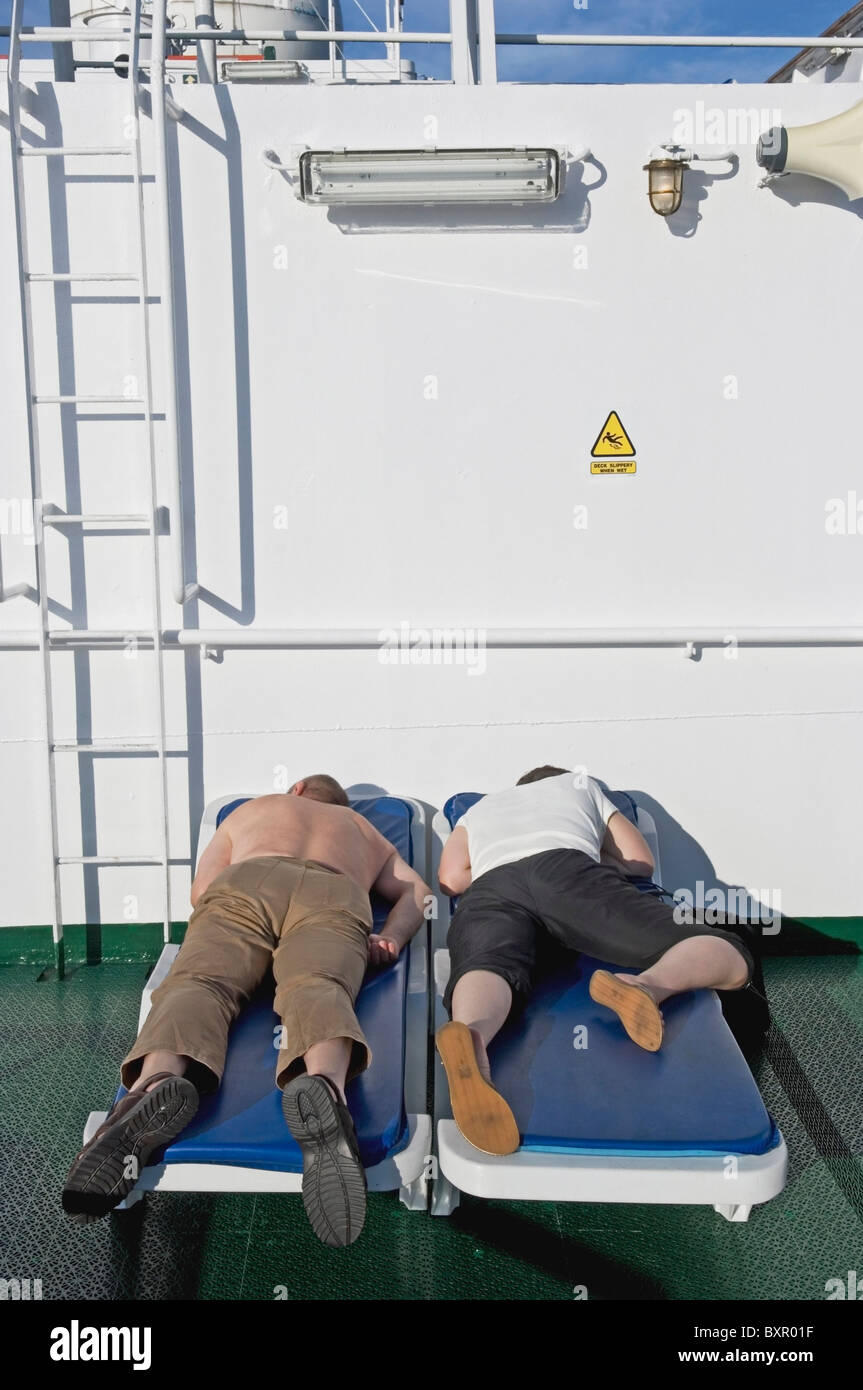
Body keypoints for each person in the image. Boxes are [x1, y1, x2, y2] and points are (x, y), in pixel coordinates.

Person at [62, 775, 429, 1248]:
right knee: (319, 986)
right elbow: (418, 894)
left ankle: (154, 1084)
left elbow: (202, 891)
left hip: (247, 882)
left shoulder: (254, 809)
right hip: (334, 892)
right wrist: (392, 938)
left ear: (296, 789)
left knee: (199, 985)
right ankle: (325, 1087)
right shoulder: (362, 829)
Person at [435, 766, 754, 1158]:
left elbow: (450, 878)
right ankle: (645, 987)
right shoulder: (580, 786)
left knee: (488, 962)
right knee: (723, 948)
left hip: (492, 885)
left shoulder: (479, 809)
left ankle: (472, 1035)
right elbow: (639, 861)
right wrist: (595, 861)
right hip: (566, 870)